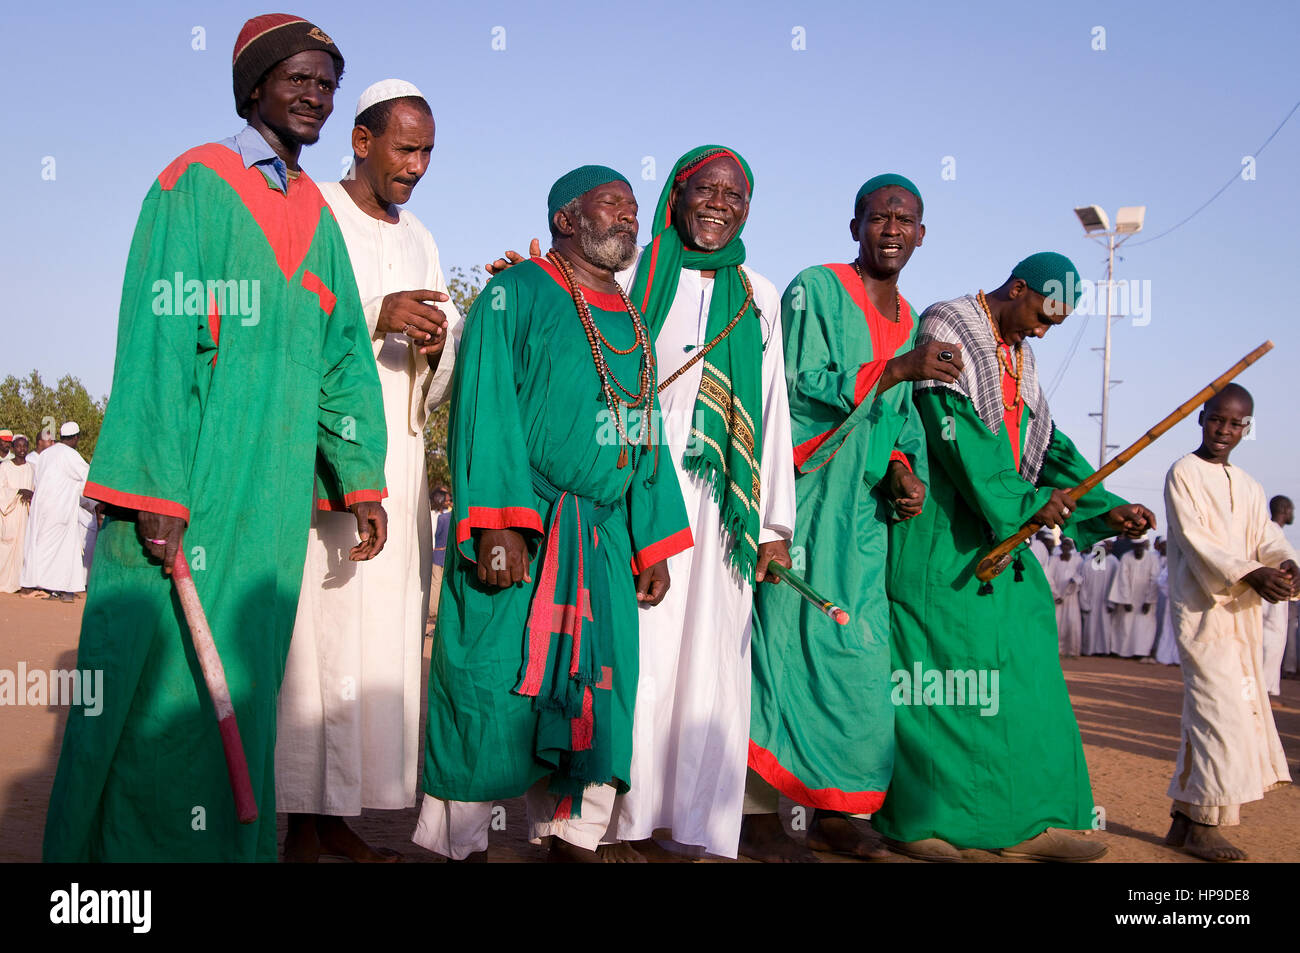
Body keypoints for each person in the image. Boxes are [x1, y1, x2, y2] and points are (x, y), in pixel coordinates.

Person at [43, 15, 389, 862]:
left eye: (327, 82)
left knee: (242, 686)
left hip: (268, 506)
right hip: (184, 491)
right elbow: (156, 340)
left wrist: (358, 472)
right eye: (298, 78)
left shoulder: (317, 213)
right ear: (253, 88)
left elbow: (343, 356)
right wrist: (155, 490)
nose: (316, 94)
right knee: (158, 689)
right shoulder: (192, 184)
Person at [412, 166, 692, 862]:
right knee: (491, 679)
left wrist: (650, 539)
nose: (628, 217)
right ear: (565, 220)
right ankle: (463, 843)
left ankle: (574, 835)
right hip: (520, 526)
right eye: (611, 205)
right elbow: (484, 410)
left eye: (633, 208)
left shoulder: (630, 319)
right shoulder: (516, 292)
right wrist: (497, 523)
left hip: (600, 539)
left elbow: (647, 431)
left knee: (599, 690)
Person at [543, 146, 792, 863]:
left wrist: (773, 525)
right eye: (706, 190)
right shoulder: (630, 273)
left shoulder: (760, 295)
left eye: (735, 194)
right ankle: (612, 819)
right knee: (633, 657)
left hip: (723, 513)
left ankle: (695, 823)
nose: (720, 203)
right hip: (637, 492)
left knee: (711, 661)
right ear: (677, 196)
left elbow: (772, 413)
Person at [879, 252, 1155, 862]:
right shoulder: (946, 324)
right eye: (1043, 314)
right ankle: (923, 822)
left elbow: (1046, 443)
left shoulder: (1020, 359)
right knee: (940, 686)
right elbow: (952, 430)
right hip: (941, 536)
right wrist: (1027, 502)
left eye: (1057, 323)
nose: (1045, 330)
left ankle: (1027, 822)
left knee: (1026, 671)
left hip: (1003, 533)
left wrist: (1102, 507)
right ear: (1018, 287)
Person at [746, 173, 957, 862]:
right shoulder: (816, 288)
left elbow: (901, 426)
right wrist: (893, 371)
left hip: (861, 525)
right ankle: (756, 818)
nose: (891, 228)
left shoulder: (911, 318)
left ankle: (837, 807)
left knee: (858, 657)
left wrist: (905, 471)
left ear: (923, 234)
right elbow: (796, 396)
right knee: (781, 651)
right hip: (803, 506)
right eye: (878, 216)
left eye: (905, 219)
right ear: (855, 226)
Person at [276, 78, 461, 863]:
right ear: (361, 141)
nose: (417, 165)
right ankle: (299, 824)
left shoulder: (421, 235)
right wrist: (375, 310)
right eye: (405, 147)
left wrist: (433, 346)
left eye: (427, 153)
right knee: (316, 643)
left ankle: (337, 818)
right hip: (324, 461)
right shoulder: (309, 208)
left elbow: (437, 369)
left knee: (375, 646)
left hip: (402, 459)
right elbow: (287, 315)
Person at [1164, 384, 1297, 861]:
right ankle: (1206, 826)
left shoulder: (1249, 485)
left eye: (1235, 424)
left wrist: (1284, 565)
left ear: (1247, 428)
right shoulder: (1183, 473)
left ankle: (1184, 819)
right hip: (1204, 614)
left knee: (1216, 713)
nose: (1225, 430)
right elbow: (1200, 542)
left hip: (1242, 618)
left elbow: (1266, 539)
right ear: (1202, 418)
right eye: (1217, 419)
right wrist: (1250, 573)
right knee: (1219, 715)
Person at [19, 422, 93, 602]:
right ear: (75, 438)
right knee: (66, 549)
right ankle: (65, 590)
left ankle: (51, 588)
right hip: (61, 510)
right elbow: (88, 478)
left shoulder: (45, 455)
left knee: (44, 548)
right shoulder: (71, 455)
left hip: (41, 510)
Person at [1261, 496, 1294, 695]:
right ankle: (1262, 694)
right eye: (1291, 510)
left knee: (1274, 644)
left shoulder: (1276, 533)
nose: (1293, 514)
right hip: (1270, 601)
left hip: (1278, 602)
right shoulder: (1271, 532)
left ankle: (1267, 691)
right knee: (1268, 644)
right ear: (1285, 510)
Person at [1109, 534, 1160, 658]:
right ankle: (1123, 651)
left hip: (1145, 599)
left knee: (1143, 626)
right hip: (1129, 599)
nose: (1138, 550)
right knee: (1125, 625)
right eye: (1135, 547)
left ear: (1144, 546)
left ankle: (1140, 652)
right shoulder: (1126, 557)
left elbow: (1154, 581)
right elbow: (1122, 580)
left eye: (1140, 547)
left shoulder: (1152, 559)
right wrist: (1126, 601)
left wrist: (1148, 601)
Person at [0, 435, 35, 592]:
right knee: (6, 548)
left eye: (25, 446)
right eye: (19, 446)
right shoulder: (5, 467)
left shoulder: (32, 468)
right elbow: (1, 490)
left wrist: (31, 495)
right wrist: (19, 492)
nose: (22, 449)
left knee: (24, 548)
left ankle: (20, 583)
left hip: (26, 513)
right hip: (9, 513)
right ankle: (5, 582)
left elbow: (37, 489)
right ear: (13, 448)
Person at [1080, 540, 1118, 656]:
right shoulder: (1086, 565)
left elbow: (1115, 585)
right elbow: (1083, 586)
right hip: (1090, 602)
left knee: (1105, 627)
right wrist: (1084, 604)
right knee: (1090, 628)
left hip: (1105, 602)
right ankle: (1089, 650)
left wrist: (1111, 603)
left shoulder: (1112, 564)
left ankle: (1103, 651)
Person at [1048, 537, 1084, 657]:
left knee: (1072, 624)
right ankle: (1057, 650)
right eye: (1064, 545)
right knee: (1057, 624)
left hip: (1071, 598)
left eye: (1068, 545)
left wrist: (1074, 582)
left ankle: (1073, 651)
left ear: (1072, 547)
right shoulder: (1053, 559)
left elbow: (1081, 575)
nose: (1066, 547)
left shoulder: (1078, 560)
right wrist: (1056, 594)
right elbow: (1049, 577)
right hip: (1057, 598)